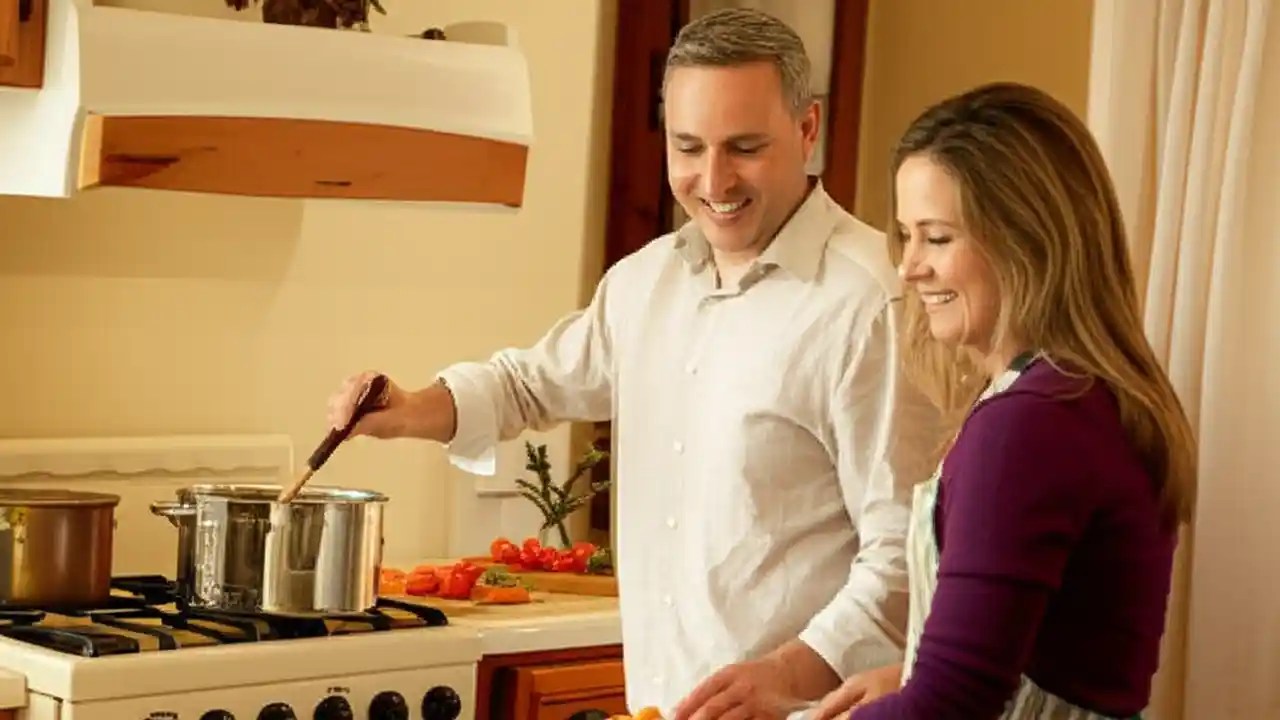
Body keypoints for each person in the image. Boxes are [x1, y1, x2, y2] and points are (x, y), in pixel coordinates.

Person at [324, 8, 941, 719]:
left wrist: (787, 673)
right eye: (688, 147)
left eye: (744, 146)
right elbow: (531, 382)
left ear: (808, 130)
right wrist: (410, 408)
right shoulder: (648, 282)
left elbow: (904, 553)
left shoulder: (871, 303)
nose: (713, 179)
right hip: (659, 701)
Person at [812, 81, 1197, 719]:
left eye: (936, 238)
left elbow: (951, 707)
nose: (909, 268)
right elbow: (1051, 659)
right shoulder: (1081, 396)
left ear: (1027, 240)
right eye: (906, 235)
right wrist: (907, 676)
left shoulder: (1028, 424)